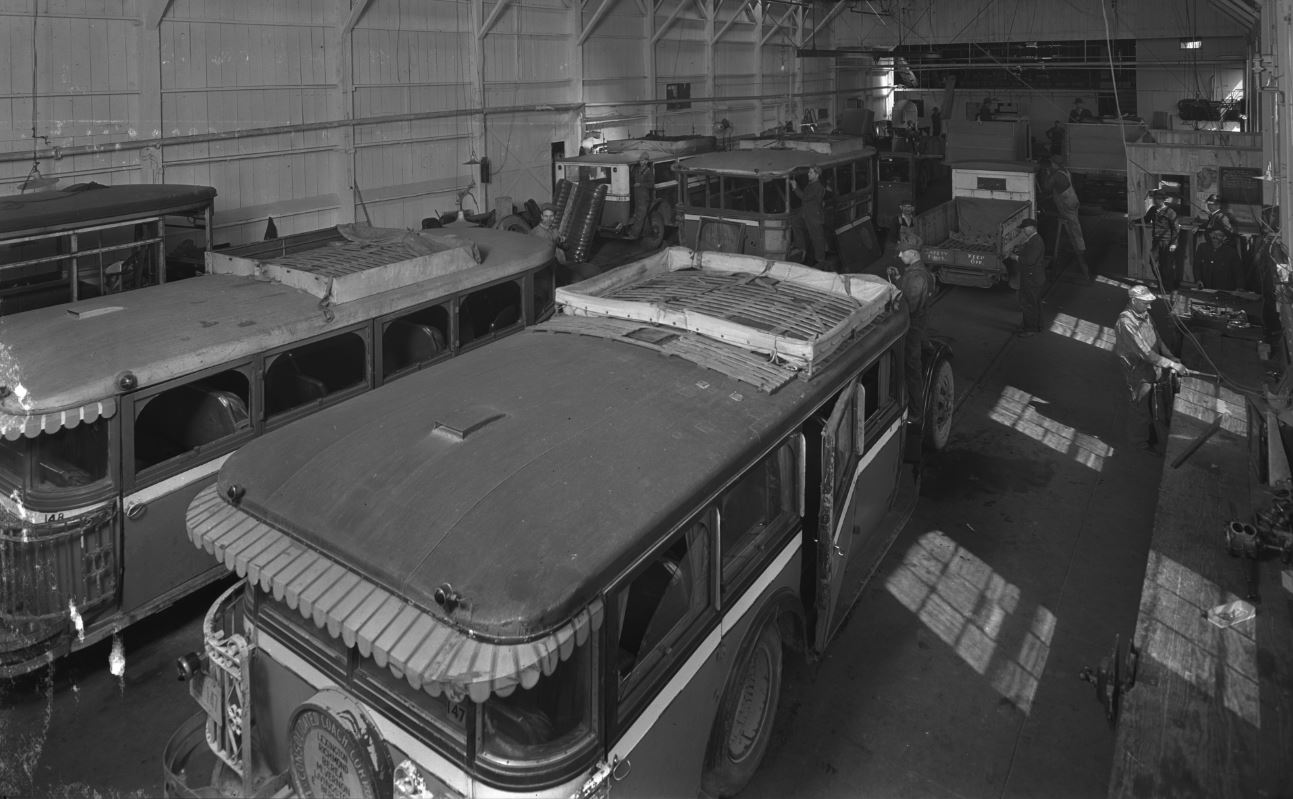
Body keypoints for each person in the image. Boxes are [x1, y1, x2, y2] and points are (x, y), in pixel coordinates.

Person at [1114, 285, 1185, 454]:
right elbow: (1146, 353)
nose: (1150, 307)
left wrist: (1170, 356)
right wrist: (1173, 365)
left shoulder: (1144, 314)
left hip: (1152, 367)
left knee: (1153, 404)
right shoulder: (1126, 323)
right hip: (1137, 372)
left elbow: (1157, 339)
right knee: (1140, 409)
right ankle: (1139, 444)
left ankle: (1150, 434)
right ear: (1133, 301)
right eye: (1146, 303)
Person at [893, 245, 935, 419]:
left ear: (914, 253)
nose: (900, 255)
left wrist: (892, 310)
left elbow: (909, 307)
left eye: (903, 252)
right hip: (916, 325)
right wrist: (897, 278)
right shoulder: (914, 273)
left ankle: (916, 412)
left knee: (911, 368)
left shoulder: (918, 277)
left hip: (911, 328)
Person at [1040, 156, 1090, 280]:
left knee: (1074, 226)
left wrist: (1047, 174)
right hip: (1073, 200)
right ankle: (1079, 246)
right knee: (1075, 223)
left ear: (1054, 164)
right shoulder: (1065, 171)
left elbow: (1047, 188)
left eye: (1051, 163)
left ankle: (1080, 248)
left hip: (1066, 204)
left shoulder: (1056, 175)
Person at [1011, 218, 1047, 336]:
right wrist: (1020, 249)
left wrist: (1015, 257)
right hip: (1035, 277)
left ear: (1032, 228)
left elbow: (1030, 260)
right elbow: (1028, 251)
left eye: (1025, 228)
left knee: (1028, 303)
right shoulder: (1033, 239)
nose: (1024, 231)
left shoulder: (1035, 241)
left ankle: (1030, 329)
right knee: (1035, 302)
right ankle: (1038, 326)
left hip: (1031, 278)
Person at [792, 166, 830, 267]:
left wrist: (795, 187)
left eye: (811, 173)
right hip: (806, 214)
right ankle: (801, 248)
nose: (808, 174)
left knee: (817, 238)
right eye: (809, 172)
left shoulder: (818, 187)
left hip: (814, 216)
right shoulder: (811, 184)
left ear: (817, 175)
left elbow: (804, 197)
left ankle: (820, 261)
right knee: (795, 222)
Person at [1143, 189, 1180, 291]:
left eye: (1158, 199)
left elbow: (1176, 229)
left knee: (1167, 266)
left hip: (1167, 242)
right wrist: (1134, 221)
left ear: (1163, 200)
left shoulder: (1170, 212)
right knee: (1152, 262)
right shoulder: (1153, 210)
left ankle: (1168, 288)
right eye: (1154, 199)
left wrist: (1174, 243)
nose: (1155, 201)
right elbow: (1145, 219)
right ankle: (1162, 283)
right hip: (1156, 242)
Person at [618, 153, 655, 237]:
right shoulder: (637, 170)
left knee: (640, 216)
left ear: (647, 161)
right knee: (640, 215)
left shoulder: (648, 172)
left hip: (644, 198)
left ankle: (634, 233)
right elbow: (631, 178)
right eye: (642, 160)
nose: (643, 162)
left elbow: (651, 185)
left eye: (645, 160)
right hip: (637, 197)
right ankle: (648, 233)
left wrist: (641, 184)